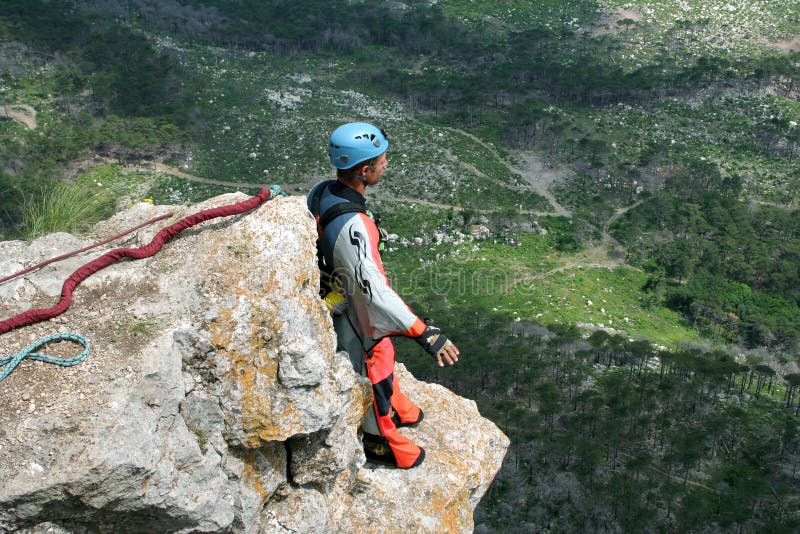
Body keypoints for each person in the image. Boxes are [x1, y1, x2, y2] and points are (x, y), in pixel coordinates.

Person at [308, 122, 460, 469]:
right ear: (365, 170)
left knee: (384, 350)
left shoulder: (323, 190)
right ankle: (380, 440)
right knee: (372, 358)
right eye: (381, 159)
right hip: (347, 304)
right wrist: (424, 332)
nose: (386, 163)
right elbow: (373, 293)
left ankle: (393, 401)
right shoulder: (353, 224)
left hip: (335, 285)